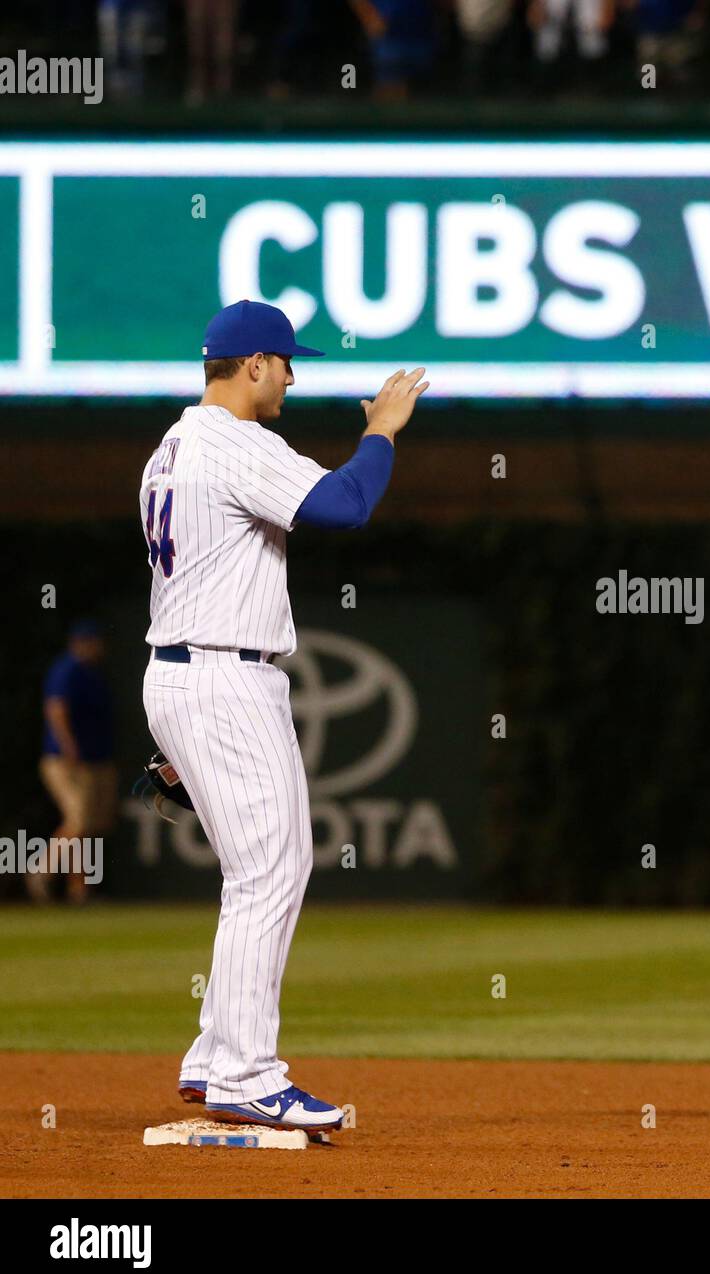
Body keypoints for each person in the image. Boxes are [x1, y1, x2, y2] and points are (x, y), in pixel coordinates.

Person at [140, 299, 428, 1134]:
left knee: (258, 873)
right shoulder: (236, 442)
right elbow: (343, 506)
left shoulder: (171, 446)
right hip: (222, 675)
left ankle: (214, 1058)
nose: (294, 376)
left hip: (186, 668)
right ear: (255, 363)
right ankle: (244, 1072)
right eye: (288, 362)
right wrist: (383, 432)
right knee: (271, 871)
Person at [34, 619, 116, 905]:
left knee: (89, 826)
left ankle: (78, 889)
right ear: (80, 643)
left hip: (94, 760)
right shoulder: (66, 669)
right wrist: (70, 747)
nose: (98, 648)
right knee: (78, 820)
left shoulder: (93, 673)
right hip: (65, 760)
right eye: (92, 642)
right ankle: (41, 871)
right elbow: (56, 710)